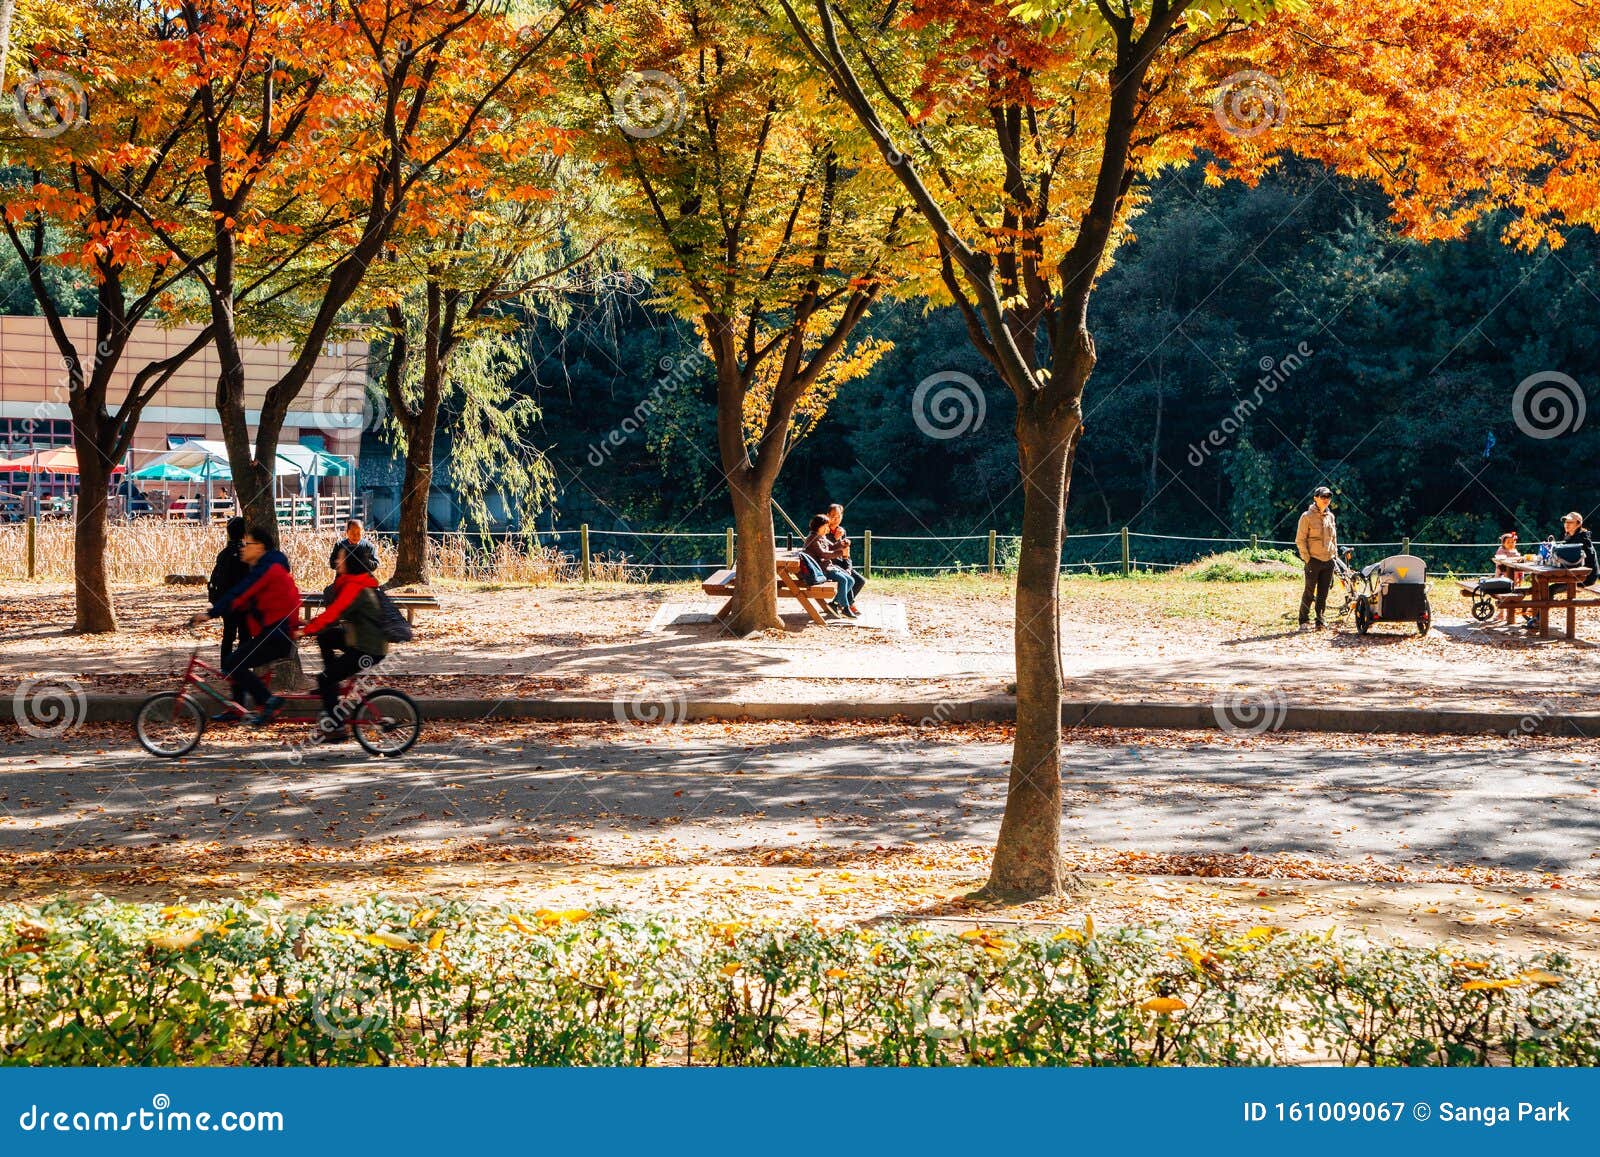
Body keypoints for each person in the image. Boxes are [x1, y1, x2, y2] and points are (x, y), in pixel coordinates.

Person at [190, 525, 301, 725]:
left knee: (233, 663)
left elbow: (241, 592)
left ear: (259, 547)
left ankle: (268, 702)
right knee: (236, 662)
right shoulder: (266, 566)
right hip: (273, 632)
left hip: (277, 635)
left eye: (247, 544)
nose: (243, 548)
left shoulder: (268, 569)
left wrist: (210, 613)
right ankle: (238, 708)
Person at [294, 544, 387, 741]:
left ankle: (336, 728)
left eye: (341, 558)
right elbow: (334, 615)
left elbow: (334, 613)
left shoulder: (355, 587)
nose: (337, 561)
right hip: (362, 638)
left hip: (368, 648)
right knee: (326, 637)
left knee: (325, 679)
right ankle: (332, 686)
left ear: (350, 563)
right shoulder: (356, 582)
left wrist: (305, 631)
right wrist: (312, 625)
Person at [205, 517, 250, 721]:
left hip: (227, 606)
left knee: (228, 637)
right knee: (245, 642)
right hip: (245, 607)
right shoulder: (246, 553)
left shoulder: (224, 554)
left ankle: (227, 668)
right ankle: (240, 673)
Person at [1295, 486, 1338, 630]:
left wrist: (1335, 556)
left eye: (1328, 497)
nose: (1326, 499)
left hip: (1329, 560)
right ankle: (1303, 620)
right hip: (1313, 560)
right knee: (1309, 591)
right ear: (1315, 498)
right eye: (1323, 497)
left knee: (1323, 593)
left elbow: (1334, 538)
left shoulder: (1330, 517)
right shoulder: (1306, 516)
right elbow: (1300, 540)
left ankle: (1320, 620)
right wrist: (1307, 559)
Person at [803, 513, 857, 617]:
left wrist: (841, 544)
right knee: (844, 580)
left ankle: (834, 603)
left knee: (851, 580)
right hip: (821, 570)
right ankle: (845, 608)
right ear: (819, 526)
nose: (827, 528)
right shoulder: (813, 539)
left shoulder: (820, 537)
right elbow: (823, 554)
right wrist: (842, 553)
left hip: (828, 567)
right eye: (825, 526)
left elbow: (831, 548)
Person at [824, 503, 863, 614]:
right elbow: (827, 552)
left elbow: (847, 553)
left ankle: (839, 603)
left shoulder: (842, 531)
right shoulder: (823, 529)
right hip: (830, 565)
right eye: (833, 516)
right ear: (827, 515)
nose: (836, 519)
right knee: (848, 577)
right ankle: (849, 604)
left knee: (860, 580)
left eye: (839, 516)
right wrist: (836, 540)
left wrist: (849, 568)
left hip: (842, 564)